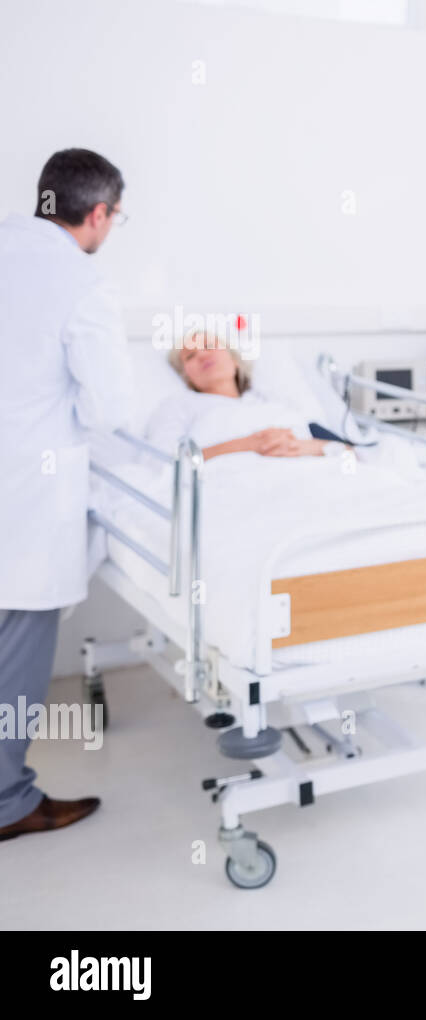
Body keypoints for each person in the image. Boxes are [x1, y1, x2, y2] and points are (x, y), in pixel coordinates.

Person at [0, 149, 131, 842]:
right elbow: (111, 408)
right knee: (15, 659)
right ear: (100, 213)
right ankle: (8, 804)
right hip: (25, 499)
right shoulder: (81, 283)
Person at [147, 331, 344, 460]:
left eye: (209, 346)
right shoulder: (180, 406)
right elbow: (164, 460)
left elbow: (350, 452)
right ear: (186, 376)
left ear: (234, 360)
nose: (202, 355)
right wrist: (248, 445)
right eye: (190, 356)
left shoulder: (271, 402)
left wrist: (302, 447)